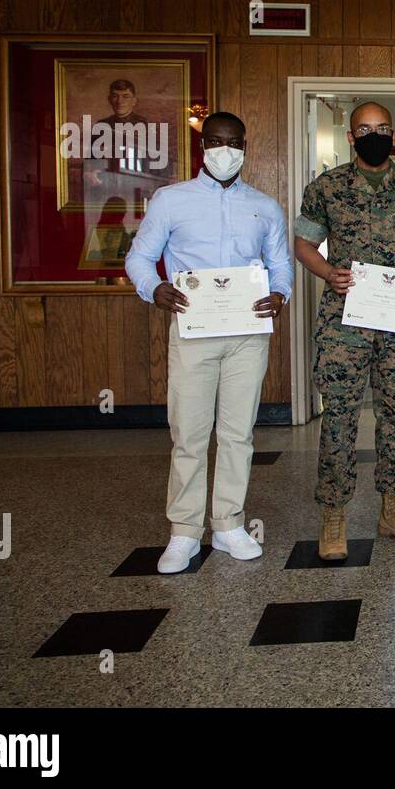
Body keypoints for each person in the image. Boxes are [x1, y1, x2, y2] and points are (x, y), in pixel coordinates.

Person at [124, 111, 292, 574]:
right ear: (203, 147)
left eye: (233, 142)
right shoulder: (171, 200)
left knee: (238, 433)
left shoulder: (265, 206)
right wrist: (152, 287)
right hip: (194, 331)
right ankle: (183, 532)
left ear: (244, 146)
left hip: (247, 335)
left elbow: (280, 264)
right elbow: (140, 257)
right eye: (215, 141)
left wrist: (280, 293)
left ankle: (228, 524)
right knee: (190, 434)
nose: (225, 150)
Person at [294, 101, 395, 561]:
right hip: (345, 321)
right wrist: (327, 271)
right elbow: (304, 243)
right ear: (350, 136)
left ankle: (393, 509)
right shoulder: (326, 187)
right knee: (339, 417)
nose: (375, 135)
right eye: (365, 129)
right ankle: (334, 513)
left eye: (383, 128)